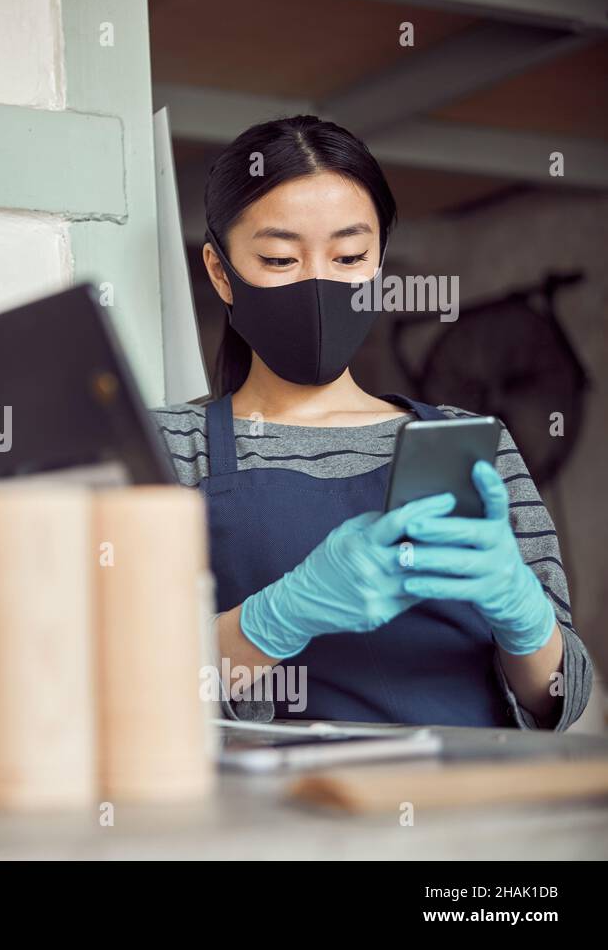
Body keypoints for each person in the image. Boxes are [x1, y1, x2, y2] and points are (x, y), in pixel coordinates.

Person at [153, 115, 590, 729]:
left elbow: (559, 697)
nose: (318, 283)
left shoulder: (472, 444)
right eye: (279, 258)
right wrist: (276, 618)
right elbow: (131, 680)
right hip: (287, 816)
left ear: (380, 262)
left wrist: (524, 616)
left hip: (473, 807)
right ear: (221, 271)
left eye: (350, 255)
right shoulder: (168, 449)